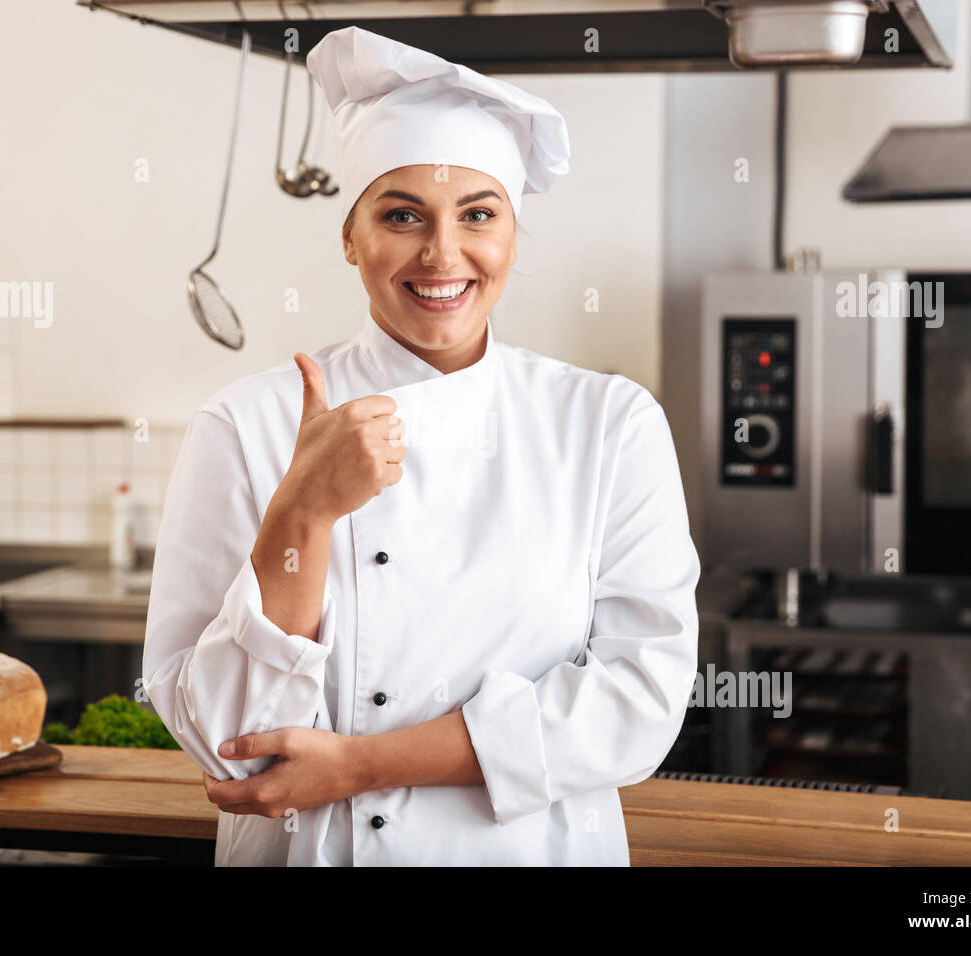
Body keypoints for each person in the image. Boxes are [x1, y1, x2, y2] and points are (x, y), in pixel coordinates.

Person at [142, 25, 700, 866]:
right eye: (401, 215)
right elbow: (230, 747)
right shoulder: (245, 424)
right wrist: (304, 513)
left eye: (478, 215)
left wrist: (358, 766)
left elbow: (637, 706)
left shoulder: (608, 424)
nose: (443, 253)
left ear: (513, 236)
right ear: (349, 237)